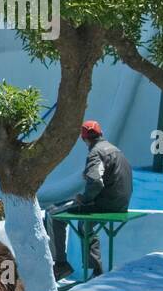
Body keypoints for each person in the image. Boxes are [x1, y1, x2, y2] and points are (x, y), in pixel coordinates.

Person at [46, 120, 133, 280]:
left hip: (103, 204)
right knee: (85, 227)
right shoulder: (116, 150)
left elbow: (96, 181)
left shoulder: (95, 152)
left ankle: (60, 264)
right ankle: (96, 270)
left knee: (52, 214)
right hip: (120, 204)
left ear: (83, 139)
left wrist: (84, 199)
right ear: (101, 134)